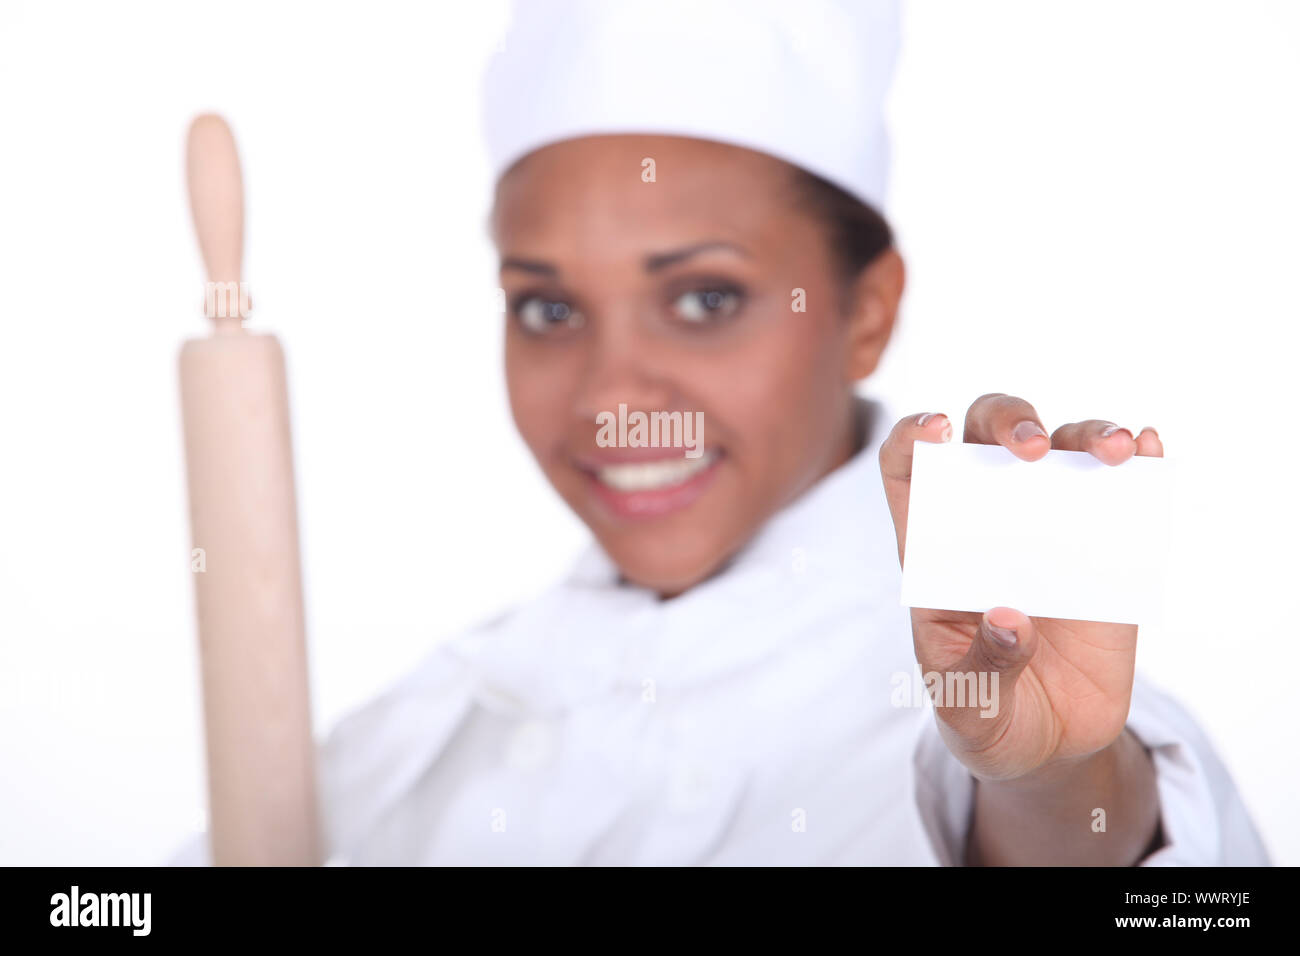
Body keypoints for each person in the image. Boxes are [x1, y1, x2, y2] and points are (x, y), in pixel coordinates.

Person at [173, 0, 1269, 865]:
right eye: (548, 308)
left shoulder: (973, 689)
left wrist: (1050, 785)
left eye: (704, 299)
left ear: (868, 310)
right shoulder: (410, 748)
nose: (612, 394)